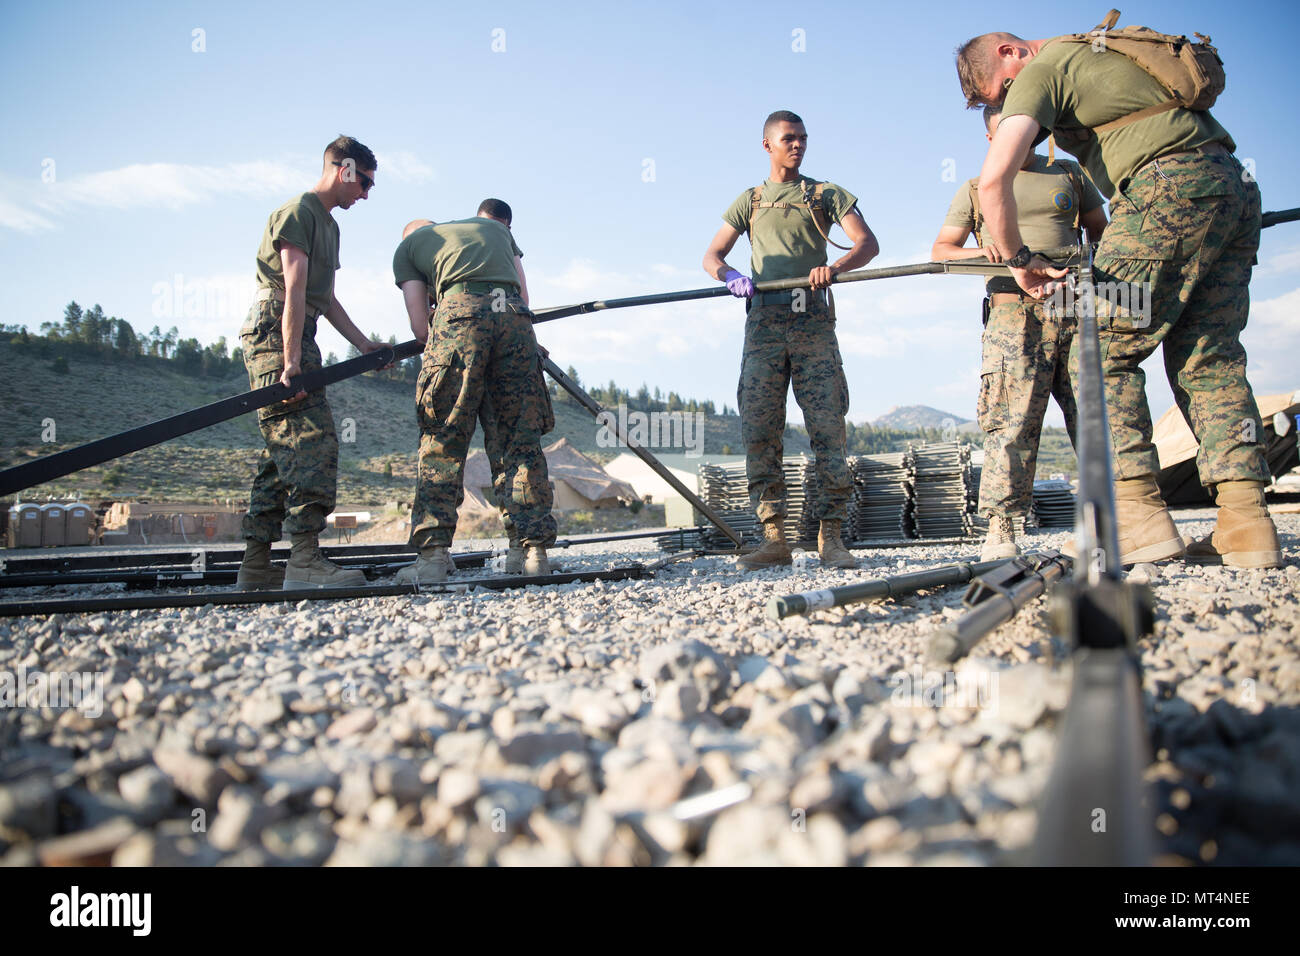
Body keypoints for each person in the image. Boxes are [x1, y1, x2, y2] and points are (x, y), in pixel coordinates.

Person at [954, 26, 1281, 569]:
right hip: (1231, 185)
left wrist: (1019, 262)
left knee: (1099, 345)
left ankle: (1134, 518)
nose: (1012, 104)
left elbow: (993, 182)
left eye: (1003, 91)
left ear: (1010, 54)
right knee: (1209, 354)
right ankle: (1246, 523)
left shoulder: (1042, 67)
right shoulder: (1093, 53)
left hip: (1165, 186)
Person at [702, 110, 880, 570]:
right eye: (788, 139)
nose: (797, 145)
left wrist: (834, 268)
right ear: (767, 145)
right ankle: (774, 538)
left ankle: (832, 537)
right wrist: (731, 275)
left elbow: (867, 243)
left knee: (827, 427)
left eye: (803, 138)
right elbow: (711, 255)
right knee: (759, 428)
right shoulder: (752, 200)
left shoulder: (824, 194)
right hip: (763, 323)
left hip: (811, 322)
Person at [931, 105, 1107, 560]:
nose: (1008, 143)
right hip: (1013, 309)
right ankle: (1002, 527)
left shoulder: (1068, 173)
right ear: (989, 139)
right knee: (1010, 419)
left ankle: (1109, 520)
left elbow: (1100, 233)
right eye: (996, 136)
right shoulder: (976, 188)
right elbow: (941, 251)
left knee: (1095, 413)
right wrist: (985, 252)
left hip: (1074, 303)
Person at [236, 135, 386, 590]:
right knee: (312, 444)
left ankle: (257, 566)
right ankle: (304, 562)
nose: (364, 194)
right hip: (277, 330)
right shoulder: (299, 211)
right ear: (343, 170)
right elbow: (295, 288)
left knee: (281, 454)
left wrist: (365, 346)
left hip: (301, 330)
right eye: (364, 183)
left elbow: (326, 299)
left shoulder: (331, 227)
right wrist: (291, 361)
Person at [392, 200, 556, 583]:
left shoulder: (408, 248)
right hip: (514, 319)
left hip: (458, 315)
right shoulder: (497, 230)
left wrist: (445, 315)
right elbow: (524, 300)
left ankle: (432, 557)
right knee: (519, 438)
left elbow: (420, 329)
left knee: (444, 437)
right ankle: (530, 552)